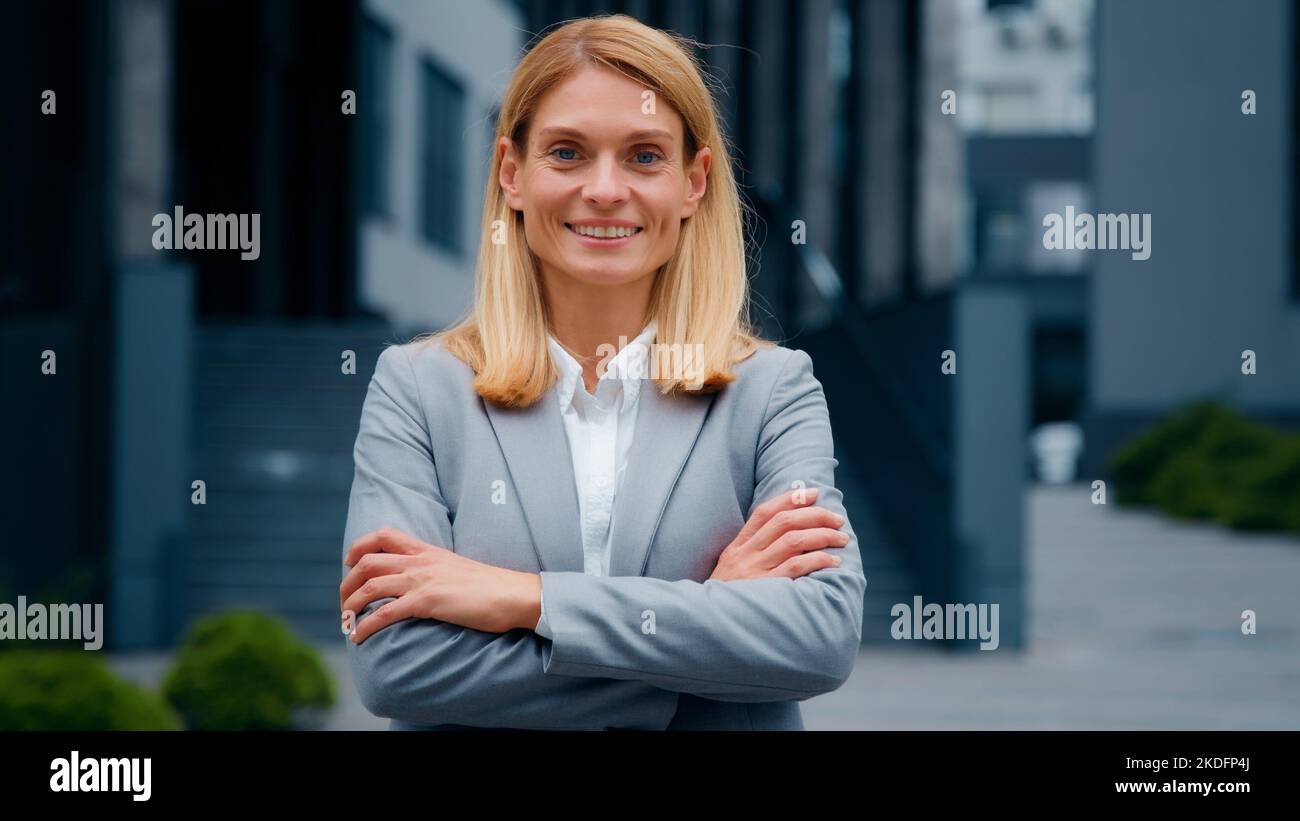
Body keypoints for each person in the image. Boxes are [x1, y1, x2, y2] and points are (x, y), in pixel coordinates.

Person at [338, 13, 865, 731]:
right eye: (567, 153)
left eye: (645, 156)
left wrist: (526, 599)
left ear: (693, 183)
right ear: (512, 175)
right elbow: (396, 665)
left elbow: (818, 639)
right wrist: (703, 638)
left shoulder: (773, 392)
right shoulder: (419, 389)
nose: (606, 189)